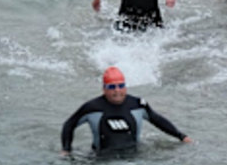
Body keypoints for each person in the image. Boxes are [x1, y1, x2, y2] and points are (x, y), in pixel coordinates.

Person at [61, 66, 192, 156]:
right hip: (101, 159)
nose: (117, 90)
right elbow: (69, 124)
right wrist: (66, 149)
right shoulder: (92, 108)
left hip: (134, 156)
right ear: (104, 89)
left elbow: (157, 120)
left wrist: (181, 136)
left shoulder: (138, 104)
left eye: (121, 85)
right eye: (112, 86)